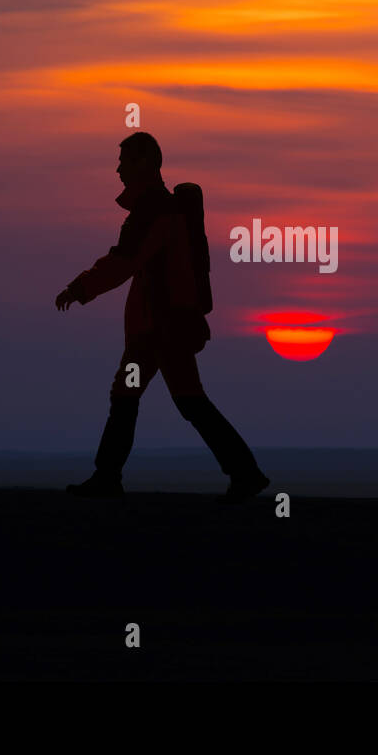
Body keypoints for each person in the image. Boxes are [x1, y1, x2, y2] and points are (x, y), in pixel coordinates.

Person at [57, 131, 270, 503]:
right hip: (167, 325)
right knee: (183, 400)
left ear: (145, 163)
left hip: (157, 327)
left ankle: (107, 478)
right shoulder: (161, 210)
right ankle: (245, 473)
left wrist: (78, 289)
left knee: (132, 397)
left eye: (124, 161)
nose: (118, 170)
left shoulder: (153, 212)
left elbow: (123, 262)